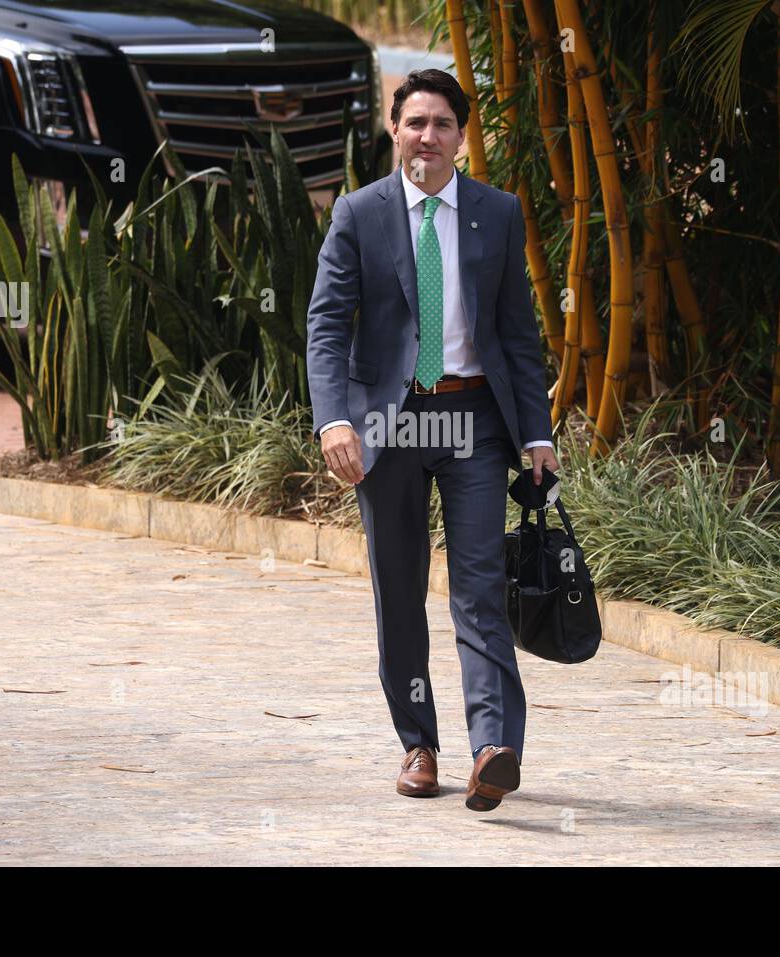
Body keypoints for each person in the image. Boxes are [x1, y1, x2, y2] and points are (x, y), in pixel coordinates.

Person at [306, 69, 559, 811]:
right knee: (400, 589)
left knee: (480, 584)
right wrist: (335, 419)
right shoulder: (359, 215)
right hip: (388, 425)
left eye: (443, 123)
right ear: (394, 128)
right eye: (416, 121)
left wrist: (538, 433)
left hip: (474, 420)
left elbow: (519, 332)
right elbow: (326, 325)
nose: (428, 135)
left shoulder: (496, 212)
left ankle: (493, 748)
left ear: (461, 135)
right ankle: (419, 743)